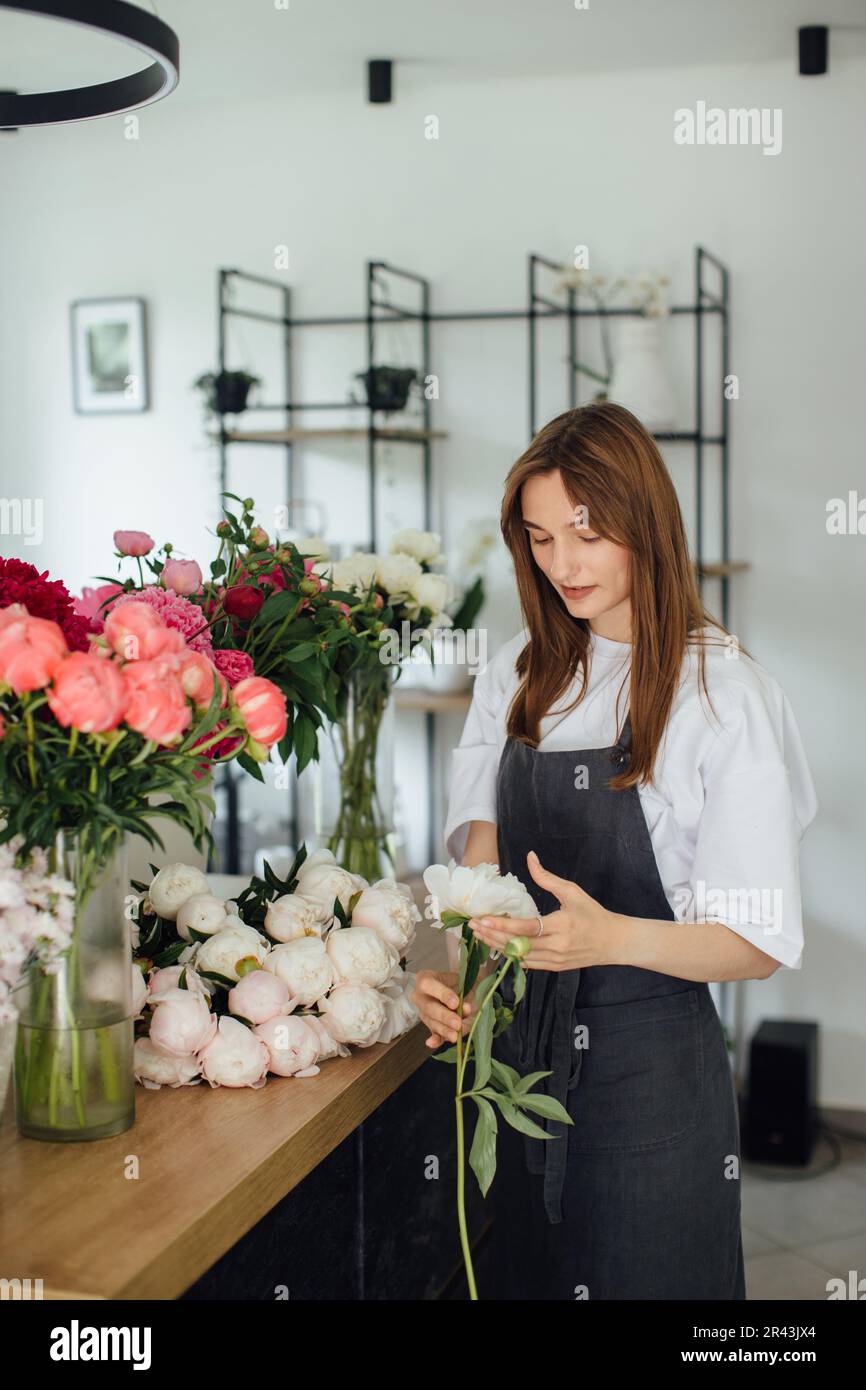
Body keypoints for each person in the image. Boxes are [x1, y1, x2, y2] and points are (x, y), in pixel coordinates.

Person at [412, 401, 818, 1301]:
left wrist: (610, 938)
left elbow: (757, 943)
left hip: (650, 1084)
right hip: (514, 1068)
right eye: (540, 537)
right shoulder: (516, 674)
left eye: (587, 534)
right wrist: (458, 979)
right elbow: (479, 873)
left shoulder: (722, 695)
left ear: (644, 520)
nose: (562, 564)